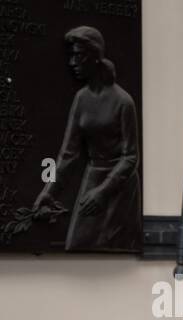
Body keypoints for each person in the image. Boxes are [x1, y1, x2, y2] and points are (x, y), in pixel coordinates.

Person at [33, 26, 142, 253]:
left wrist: (103, 191)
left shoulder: (123, 102)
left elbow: (131, 157)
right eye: (71, 55)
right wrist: (48, 192)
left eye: (79, 55)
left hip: (120, 187)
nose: (73, 62)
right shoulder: (81, 99)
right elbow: (68, 154)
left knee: (113, 248)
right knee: (76, 245)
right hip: (93, 177)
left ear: (95, 57)